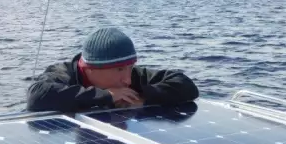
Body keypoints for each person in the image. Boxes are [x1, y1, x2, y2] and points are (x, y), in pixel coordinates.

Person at [26, 27, 199, 113]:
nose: (128, 80)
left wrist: (144, 96)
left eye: (130, 67)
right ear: (89, 68)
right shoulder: (62, 73)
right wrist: (106, 96)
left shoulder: (133, 75)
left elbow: (185, 84)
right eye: (119, 69)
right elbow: (37, 95)